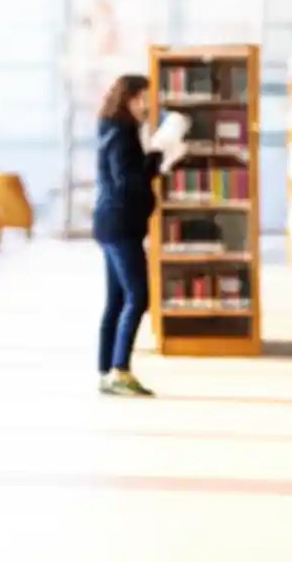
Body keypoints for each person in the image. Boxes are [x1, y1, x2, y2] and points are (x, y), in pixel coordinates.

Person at [92, 74, 186, 396]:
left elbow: (128, 176)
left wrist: (154, 160)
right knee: (138, 295)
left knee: (117, 300)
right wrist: (158, 154)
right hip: (121, 226)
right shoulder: (121, 135)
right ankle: (119, 370)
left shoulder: (113, 130)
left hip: (112, 223)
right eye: (144, 98)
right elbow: (128, 181)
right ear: (130, 98)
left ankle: (106, 370)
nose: (147, 105)